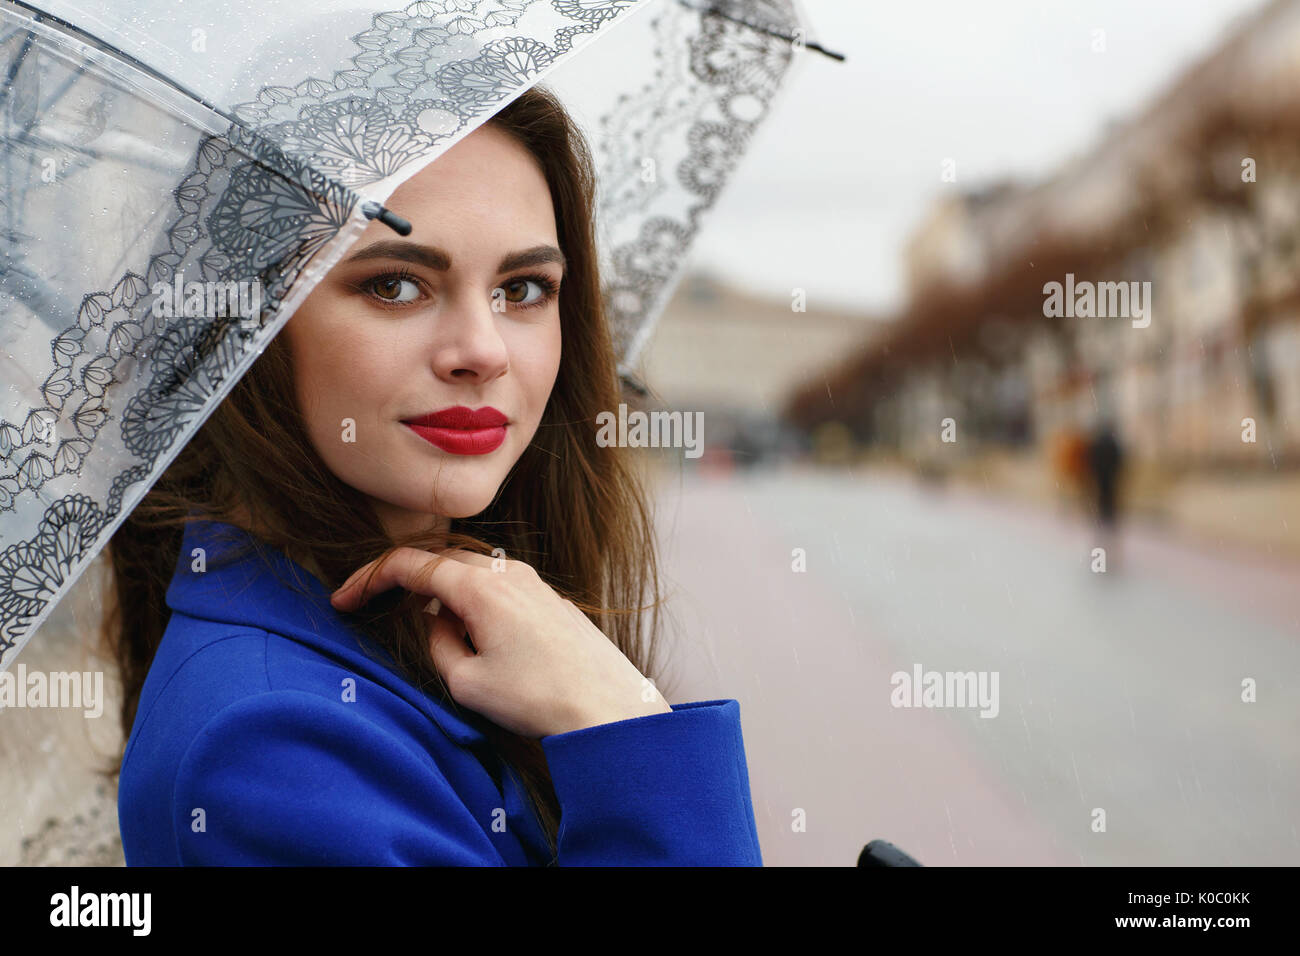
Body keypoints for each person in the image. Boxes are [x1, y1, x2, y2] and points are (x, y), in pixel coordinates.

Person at [107, 85, 762, 866]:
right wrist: (624, 727)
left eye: (522, 289)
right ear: (249, 325)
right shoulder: (273, 749)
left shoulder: (468, 635)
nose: (482, 351)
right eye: (394, 284)